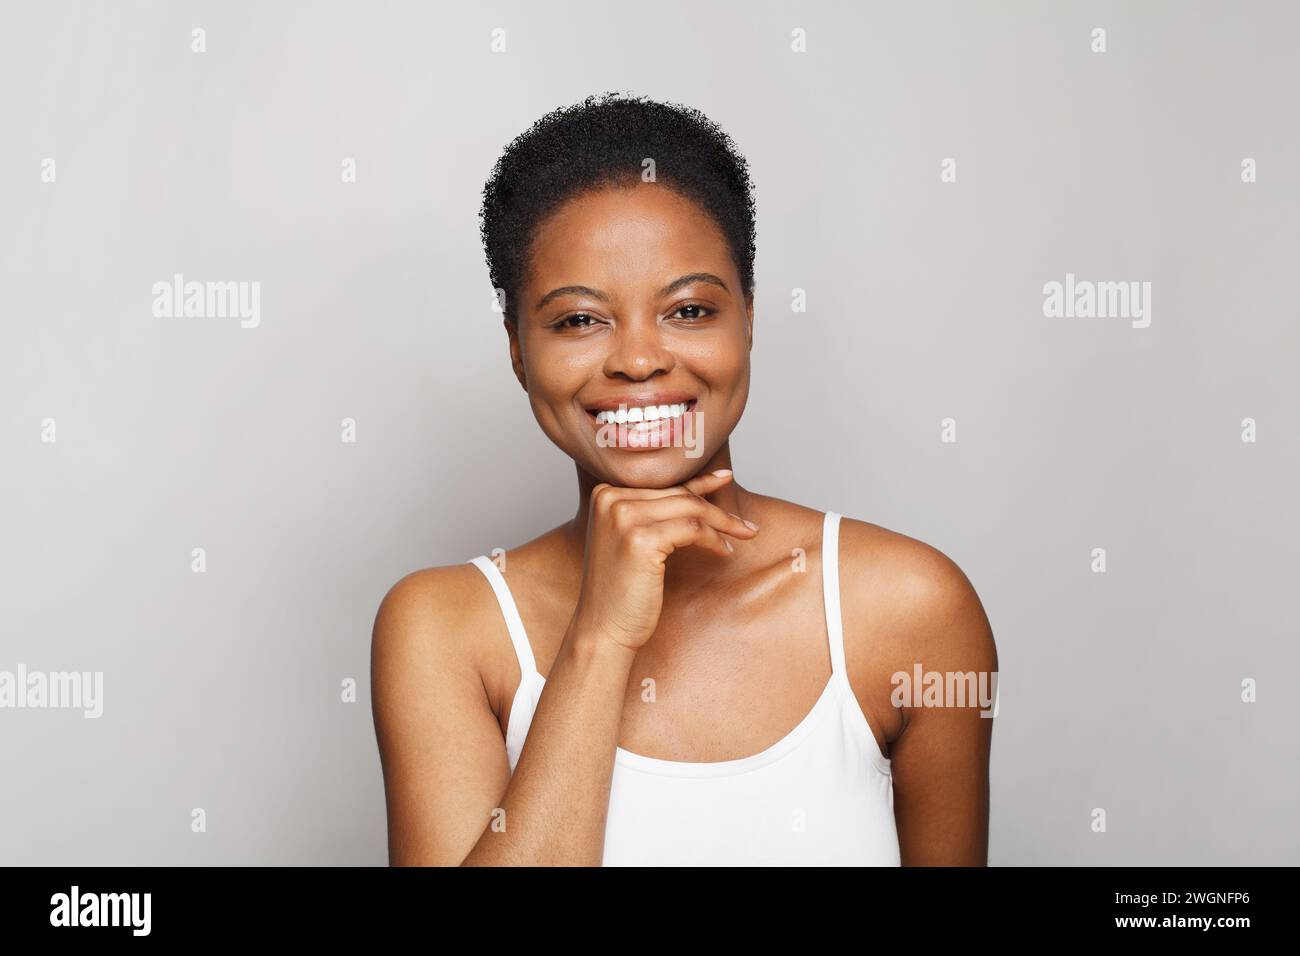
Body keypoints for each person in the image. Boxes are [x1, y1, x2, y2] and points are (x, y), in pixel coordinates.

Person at [371, 92, 997, 866]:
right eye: (578, 320)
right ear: (516, 348)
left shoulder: (908, 608)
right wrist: (600, 641)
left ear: (750, 317)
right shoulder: (444, 630)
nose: (638, 359)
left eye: (691, 311)